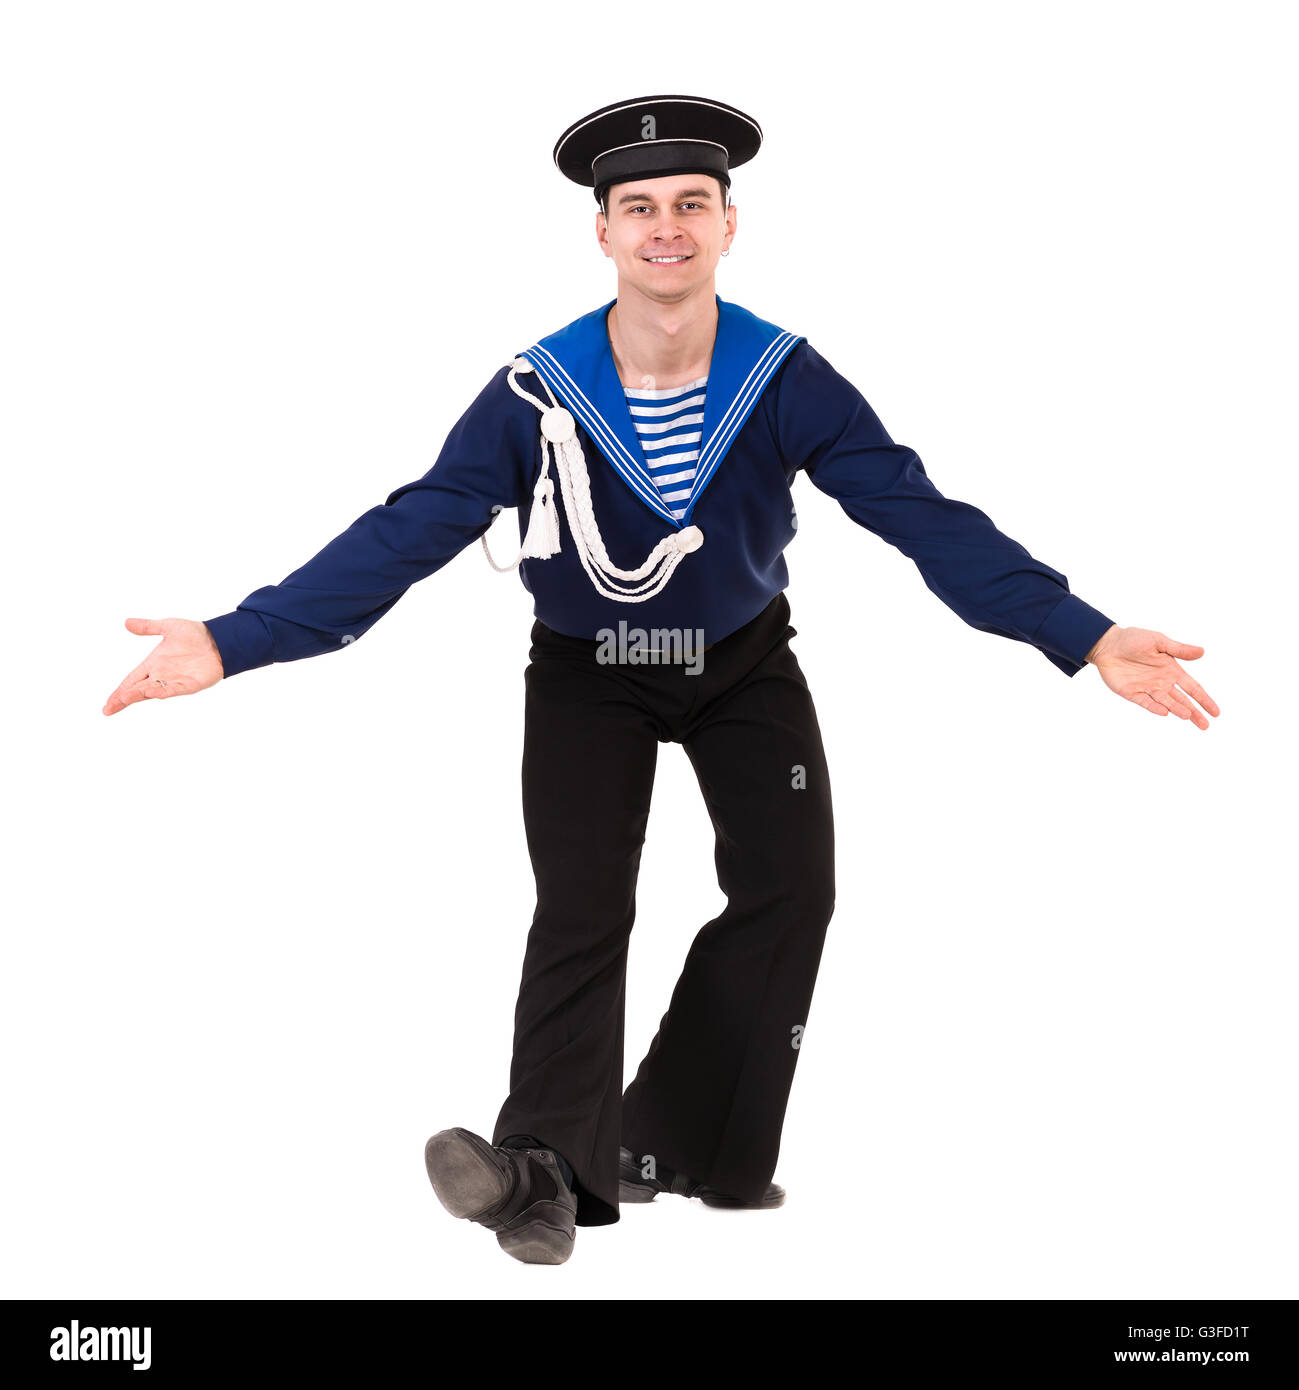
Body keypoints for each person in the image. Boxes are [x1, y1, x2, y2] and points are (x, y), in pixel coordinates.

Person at [103, 94, 1220, 1266]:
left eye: (691, 203)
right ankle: (538, 1174)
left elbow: (922, 518)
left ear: (731, 224)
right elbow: (414, 526)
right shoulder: (538, 388)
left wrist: (1083, 631)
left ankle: (678, 1142)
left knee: (794, 887)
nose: (666, 226)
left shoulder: (786, 376)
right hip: (591, 672)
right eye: (639, 208)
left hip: (739, 663)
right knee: (584, 909)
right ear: (603, 234)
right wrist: (236, 637)